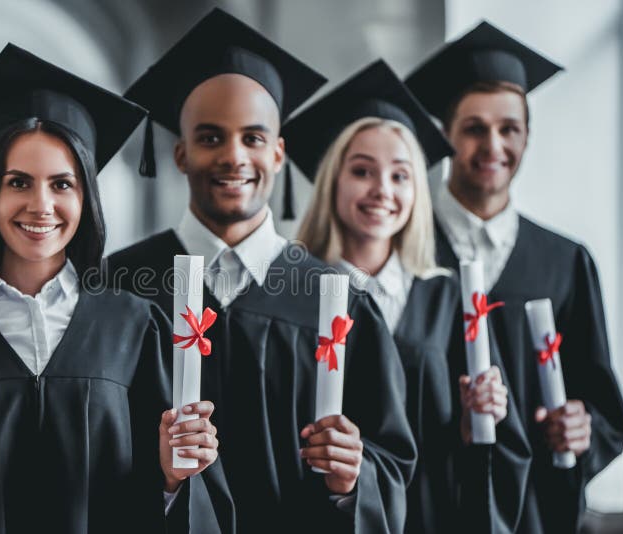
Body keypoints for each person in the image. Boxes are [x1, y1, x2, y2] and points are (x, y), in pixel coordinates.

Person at [0, 44, 228, 534]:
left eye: (62, 184)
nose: (41, 205)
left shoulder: (134, 327)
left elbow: (160, 498)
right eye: (18, 182)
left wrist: (170, 477)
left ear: (86, 197)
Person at [106, 8, 417, 533]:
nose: (233, 156)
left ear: (277, 154)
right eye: (209, 138)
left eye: (253, 138)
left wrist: (352, 477)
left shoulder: (335, 298)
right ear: (180, 154)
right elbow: (92, 452)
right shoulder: (119, 285)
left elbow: (393, 465)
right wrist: (160, 482)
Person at [285, 58, 530, 533]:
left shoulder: (449, 300)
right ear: (332, 178)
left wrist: (478, 425)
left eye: (400, 175)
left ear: (418, 190)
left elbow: (487, 456)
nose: (382, 190)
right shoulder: (292, 295)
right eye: (362, 171)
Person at [406, 20, 623, 533]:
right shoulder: (407, 249)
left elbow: (602, 406)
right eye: (474, 128)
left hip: (537, 515)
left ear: (527, 134)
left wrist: (582, 428)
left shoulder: (564, 261)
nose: (494, 145)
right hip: (427, 512)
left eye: (509, 128)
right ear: (445, 136)